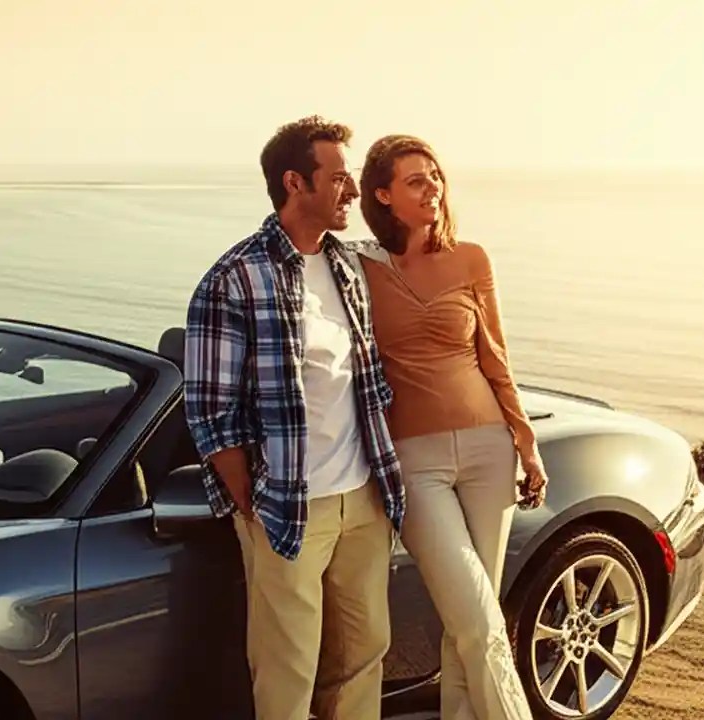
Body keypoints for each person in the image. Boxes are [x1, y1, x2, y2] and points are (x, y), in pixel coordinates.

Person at [182, 115, 405, 720]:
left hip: (363, 497)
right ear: (294, 182)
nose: (352, 192)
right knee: (288, 668)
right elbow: (209, 412)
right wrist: (252, 504)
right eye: (338, 179)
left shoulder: (349, 268)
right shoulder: (232, 280)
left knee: (363, 656)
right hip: (287, 507)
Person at [353, 133, 548, 720]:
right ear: (383, 194)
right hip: (415, 460)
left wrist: (527, 443)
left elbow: (495, 356)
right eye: (416, 180)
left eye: (435, 175)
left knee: (471, 619)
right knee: (475, 614)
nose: (432, 187)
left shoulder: (471, 258)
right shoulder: (357, 267)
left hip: (490, 450)